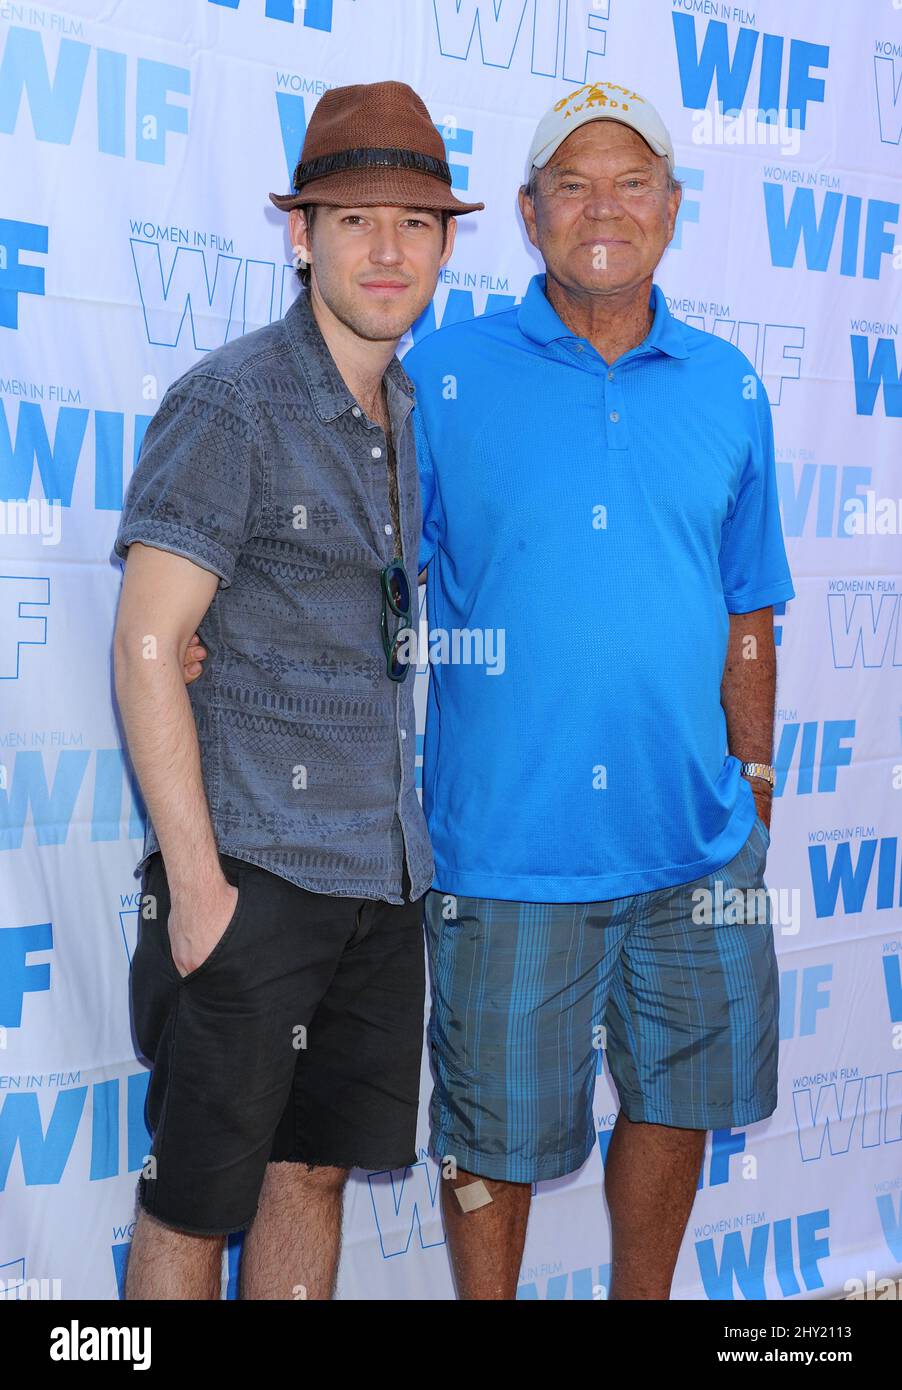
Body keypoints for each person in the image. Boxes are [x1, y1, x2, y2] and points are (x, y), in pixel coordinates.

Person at [402, 81, 795, 1299]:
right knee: (487, 1138)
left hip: (696, 849)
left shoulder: (726, 385)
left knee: (681, 1103)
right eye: (570, 184)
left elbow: (748, 613)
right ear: (526, 214)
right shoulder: (438, 377)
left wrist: (758, 788)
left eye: (632, 182)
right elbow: (360, 579)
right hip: (507, 852)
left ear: (672, 210)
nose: (602, 208)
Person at [111, 80, 482, 1300]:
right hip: (255, 874)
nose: (388, 250)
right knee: (193, 1202)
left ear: (443, 246)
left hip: (379, 878)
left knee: (310, 1174)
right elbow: (149, 645)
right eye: (355, 219)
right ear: (300, 232)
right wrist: (200, 888)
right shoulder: (233, 401)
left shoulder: (405, 409)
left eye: (416, 224)